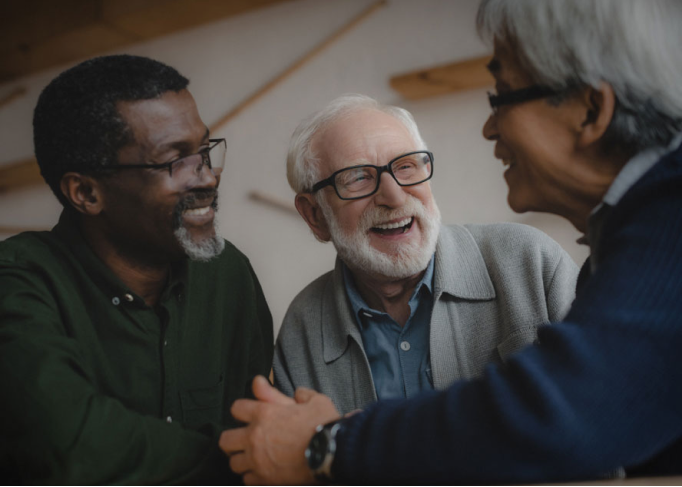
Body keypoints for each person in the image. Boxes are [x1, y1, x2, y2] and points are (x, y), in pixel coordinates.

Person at [219, 0, 682, 484]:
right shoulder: (626, 241)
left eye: (502, 94)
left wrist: (327, 444)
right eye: (357, 178)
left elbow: (569, 416)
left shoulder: (666, 223)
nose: (488, 127)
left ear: (591, 110)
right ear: (314, 216)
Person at [0, 55, 273, 485]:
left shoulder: (228, 273)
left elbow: (255, 422)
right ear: (87, 193)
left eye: (203, 151)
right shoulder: (15, 277)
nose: (206, 177)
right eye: (174, 160)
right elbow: (67, 445)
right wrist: (248, 457)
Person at [273, 94, 579, 416]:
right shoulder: (303, 326)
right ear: (315, 216)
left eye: (405, 166)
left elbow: (608, 419)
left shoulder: (530, 262)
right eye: (358, 177)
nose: (393, 196)